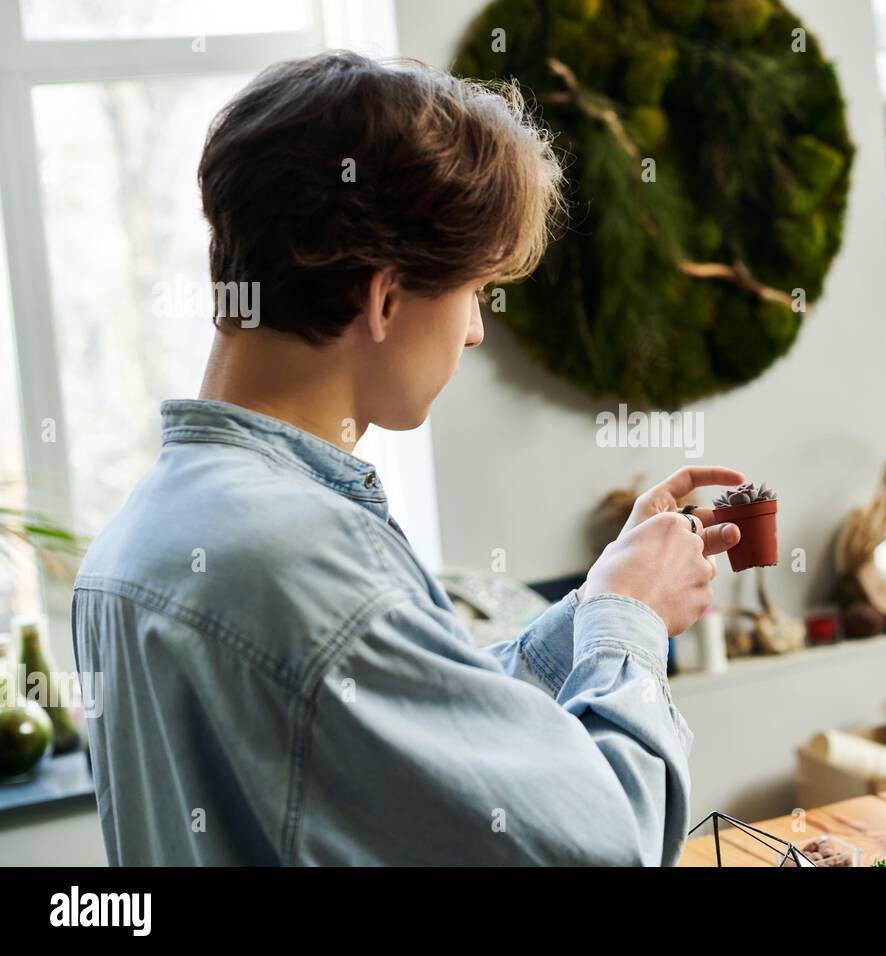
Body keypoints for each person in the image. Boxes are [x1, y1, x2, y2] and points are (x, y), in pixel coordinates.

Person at [72, 51, 744, 866]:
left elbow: (400, 732)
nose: (474, 330)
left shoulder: (139, 538)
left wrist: (598, 603)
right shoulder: (302, 556)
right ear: (385, 297)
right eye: (471, 292)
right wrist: (630, 627)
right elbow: (605, 848)